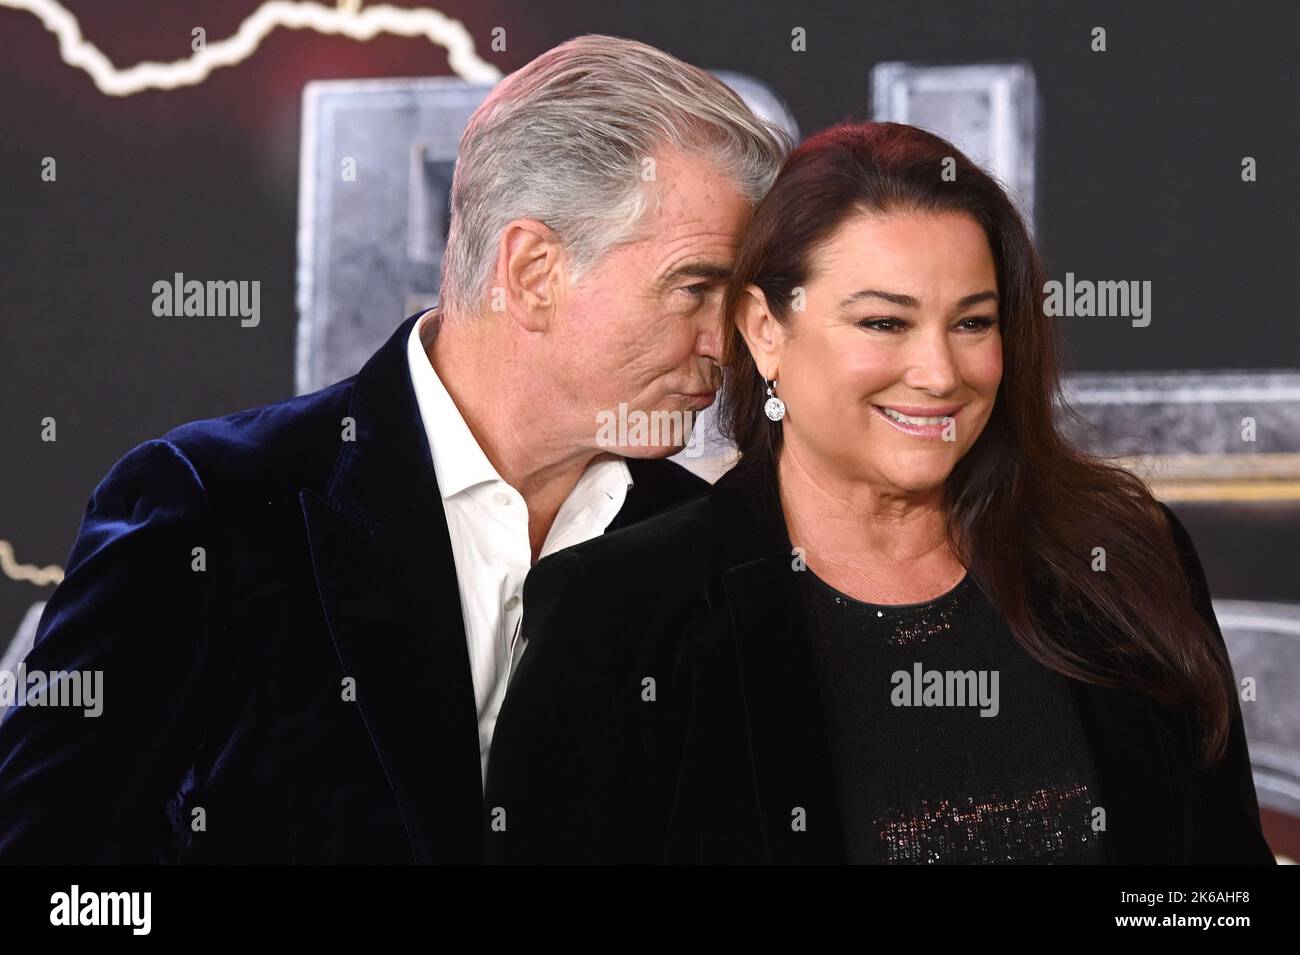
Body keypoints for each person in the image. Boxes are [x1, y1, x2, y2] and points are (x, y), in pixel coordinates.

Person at [0, 35, 790, 863]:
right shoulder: (208, 510)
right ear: (532, 271)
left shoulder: (716, 553)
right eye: (697, 287)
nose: (727, 340)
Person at [483, 122, 1275, 864]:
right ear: (764, 330)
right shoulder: (620, 613)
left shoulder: (1123, 559)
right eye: (884, 324)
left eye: (972, 323)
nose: (939, 373)